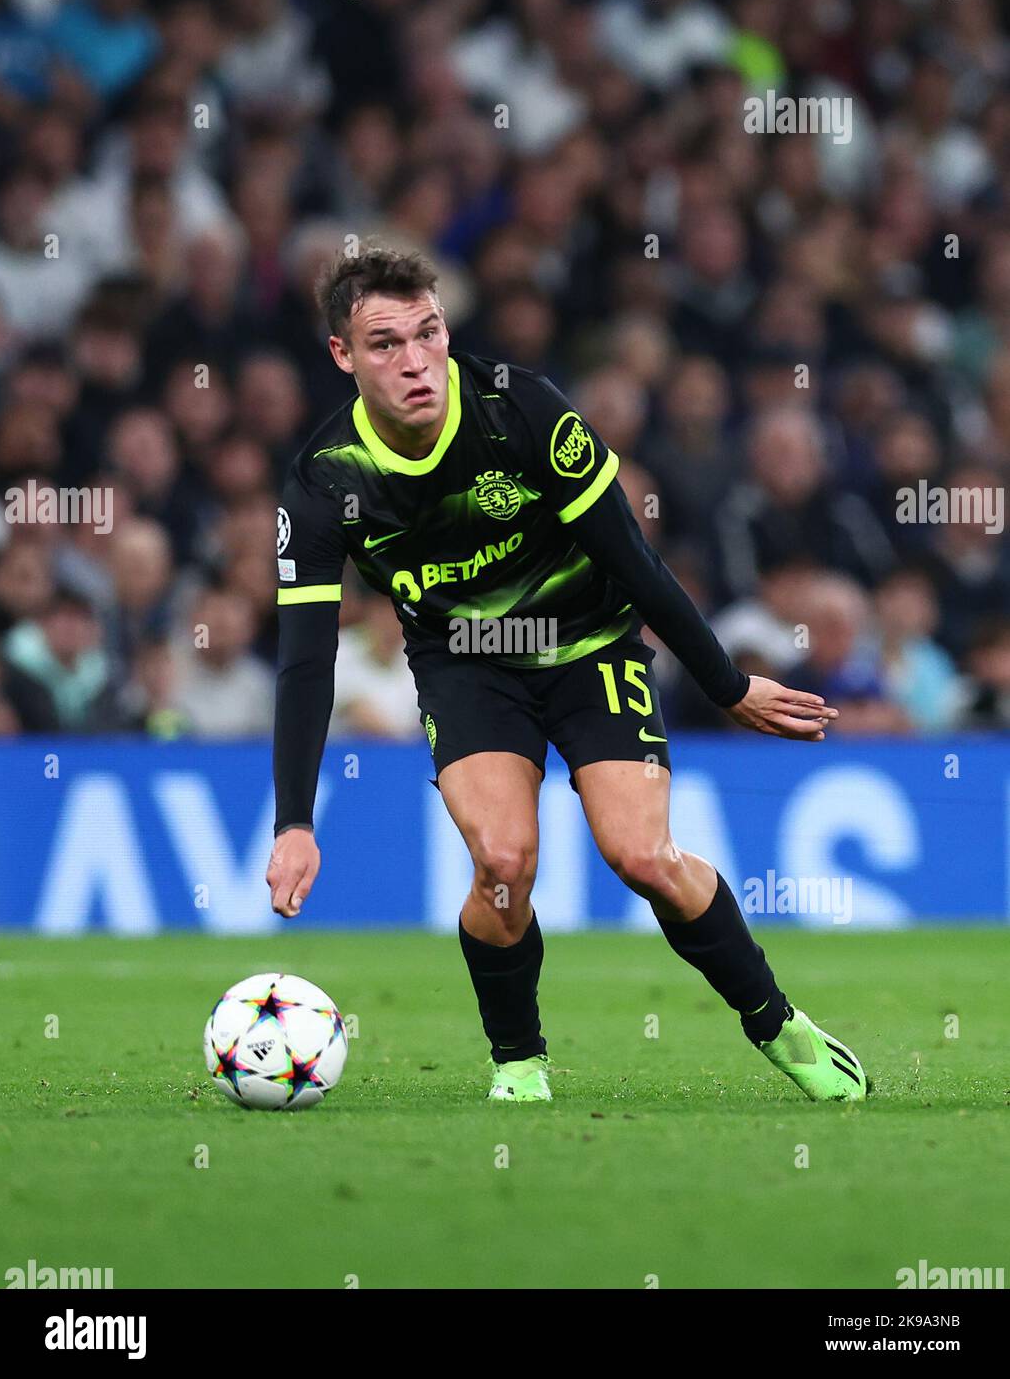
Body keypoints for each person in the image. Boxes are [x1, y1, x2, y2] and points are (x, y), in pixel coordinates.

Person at [265, 244, 867, 1105]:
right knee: (503, 863)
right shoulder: (323, 484)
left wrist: (727, 686)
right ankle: (518, 1063)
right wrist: (294, 821)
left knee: (643, 856)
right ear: (343, 356)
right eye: (385, 344)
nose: (414, 362)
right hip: (466, 667)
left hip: (590, 645)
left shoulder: (524, 409)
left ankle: (777, 1024)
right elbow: (304, 661)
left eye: (428, 334)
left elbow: (634, 558)